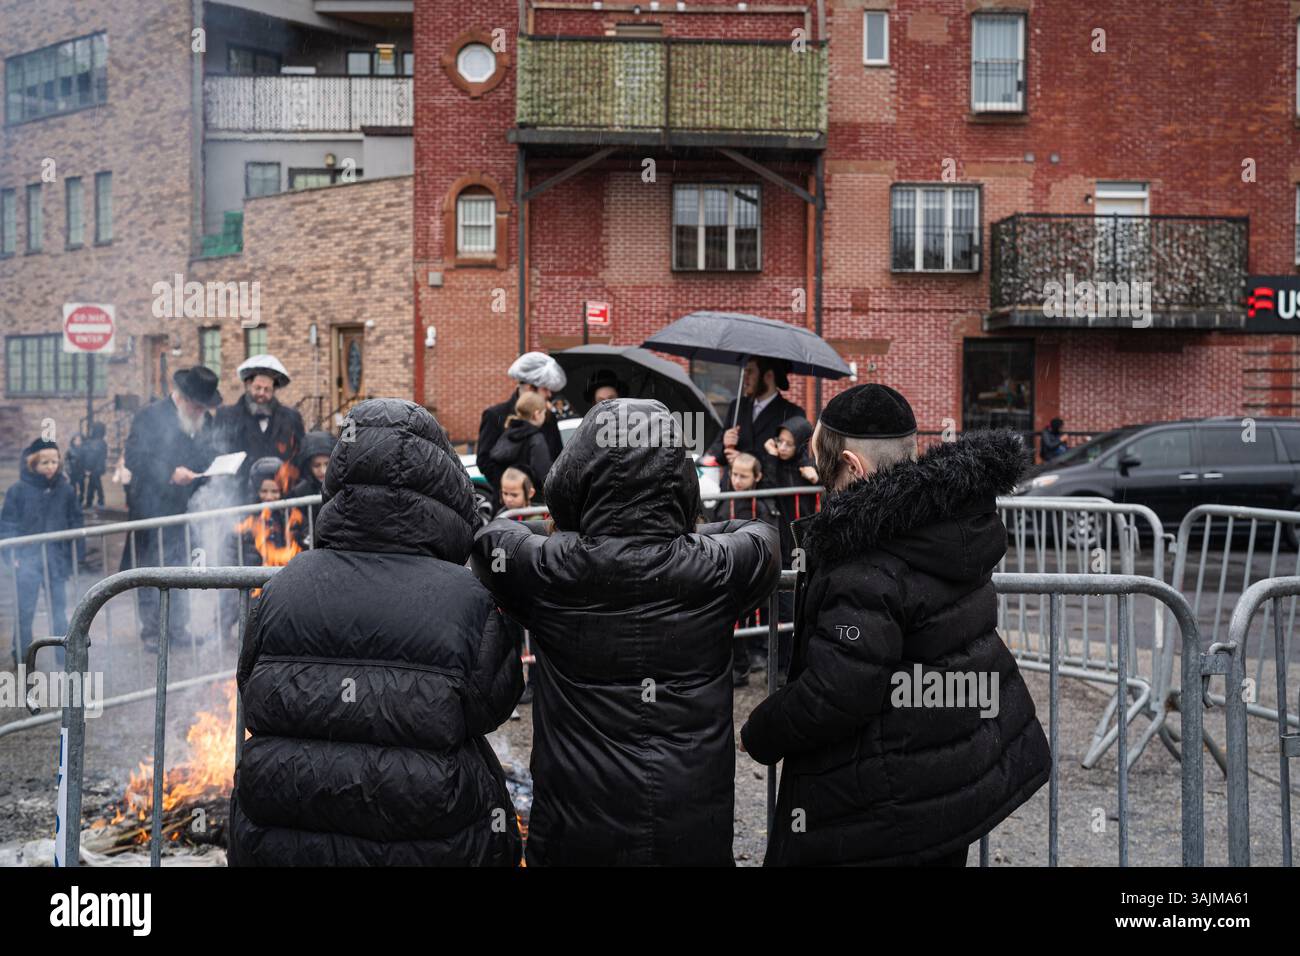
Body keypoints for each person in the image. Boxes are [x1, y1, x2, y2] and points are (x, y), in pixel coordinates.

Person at [739, 384, 1051, 866]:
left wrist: (760, 732)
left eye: (825, 467)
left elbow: (837, 691)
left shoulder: (865, 558)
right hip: (943, 791)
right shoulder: (950, 521)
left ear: (853, 467)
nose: (821, 483)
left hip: (880, 809)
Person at [472, 398, 780, 865]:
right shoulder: (716, 567)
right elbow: (761, 536)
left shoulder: (546, 568)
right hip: (689, 827)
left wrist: (568, 527)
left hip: (577, 831)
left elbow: (495, 537)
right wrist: (685, 532)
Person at [229, 398, 524, 866]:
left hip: (285, 838)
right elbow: (494, 702)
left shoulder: (283, 586)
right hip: (429, 838)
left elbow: (252, 690)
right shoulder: (468, 598)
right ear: (445, 486)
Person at [122, 366, 221, 650]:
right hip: (152, 508)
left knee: (181, 568)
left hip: (188, 509)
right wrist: (170, 472)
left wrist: (214, 468)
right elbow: (134, 457)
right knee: (152, 569)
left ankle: (178, 628)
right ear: (183, 398)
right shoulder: (149, 416)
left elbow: (209, 452)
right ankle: (152, 631)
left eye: (205, 407)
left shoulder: (205, 419)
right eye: (198, 406)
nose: (202, 412)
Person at [1, 438, 84, 668]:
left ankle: (63, 653)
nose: (50, 466)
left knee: (59, 609)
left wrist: (75, 553)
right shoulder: (18, 491)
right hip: (27, 561)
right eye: (45, 462)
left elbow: (75, 520)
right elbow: (7, 523)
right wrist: (12, 553)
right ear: (33, 463)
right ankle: (23, 656)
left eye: (55, 462)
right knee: (25, 610)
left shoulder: (66, 490)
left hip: (56, 561)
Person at [709, 452, 777, 688]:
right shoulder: (724, 500)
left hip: (747, 569)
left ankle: (745, 665)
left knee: (752, 621)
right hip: (726, 567)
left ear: (757, 477)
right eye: (734, 474)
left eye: (743, 476)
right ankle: (738, 666)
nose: (736, 480)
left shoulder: (760, 504)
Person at [707, 357, 806, 490]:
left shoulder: (792, 413)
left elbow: (793, 462)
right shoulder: (736, 407)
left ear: (768, 376)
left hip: (769, 496)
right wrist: (725, 444)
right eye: (744, 372)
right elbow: (718, 455)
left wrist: (746, 461)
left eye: (750, 372)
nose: (745, 377)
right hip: (731, 496)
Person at [476, 351, 566, 493]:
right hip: (508, 505)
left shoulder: (549, 418)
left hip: (543, 503)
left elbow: (558, 458)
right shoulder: (495, 415)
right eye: (545, 389)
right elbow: (484, 461)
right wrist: (511, 491)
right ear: (530, 388)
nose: (550, 394)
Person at [213, 354, 305, 485]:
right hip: (239, 494)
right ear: (248, 385)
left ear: (274, 390)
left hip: (280, 493)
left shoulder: (291, 418)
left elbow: (300, 455)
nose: (262, 393)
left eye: (267, 389)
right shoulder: (226, 417)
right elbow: (217, 454)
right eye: (258, 388)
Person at [484, 392, 554, 498]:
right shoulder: (536, 438)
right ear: (536, 414)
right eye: (544, 413)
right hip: (530, 504)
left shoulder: (507, 433)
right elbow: (544, 476)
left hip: (503, 501)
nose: (544, 416)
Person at [288, 430, 335, 537]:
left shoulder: (342, 485)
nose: (322, 470)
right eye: (316, 465)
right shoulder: (300, 491)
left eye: (327, 464)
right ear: (308, 466)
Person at [80, 422, 108, 509]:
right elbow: (103, 456)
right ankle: (92, 501)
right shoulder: (102, 443)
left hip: (93, 467)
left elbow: (89, 456)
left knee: (95, 484)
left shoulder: (90, 442)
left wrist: (87, 467)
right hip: (98, 467)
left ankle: (95, 501)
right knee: (94, 484)